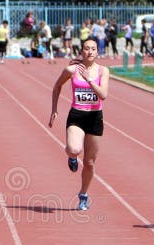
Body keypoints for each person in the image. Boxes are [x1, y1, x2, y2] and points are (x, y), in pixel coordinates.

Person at [48, 38, 109, 211]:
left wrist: (90, 80)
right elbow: (56, 87)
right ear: (81, 51)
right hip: (77, 115)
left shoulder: (103, 71)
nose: (90, 51)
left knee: (90, 163)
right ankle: (72, 157)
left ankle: (83, 194)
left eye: (93, 49)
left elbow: (103, 94)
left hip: (95, 117)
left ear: (97, 52)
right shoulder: (71, 70)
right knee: (74, 149)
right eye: (86, 48)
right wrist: (54, 109)